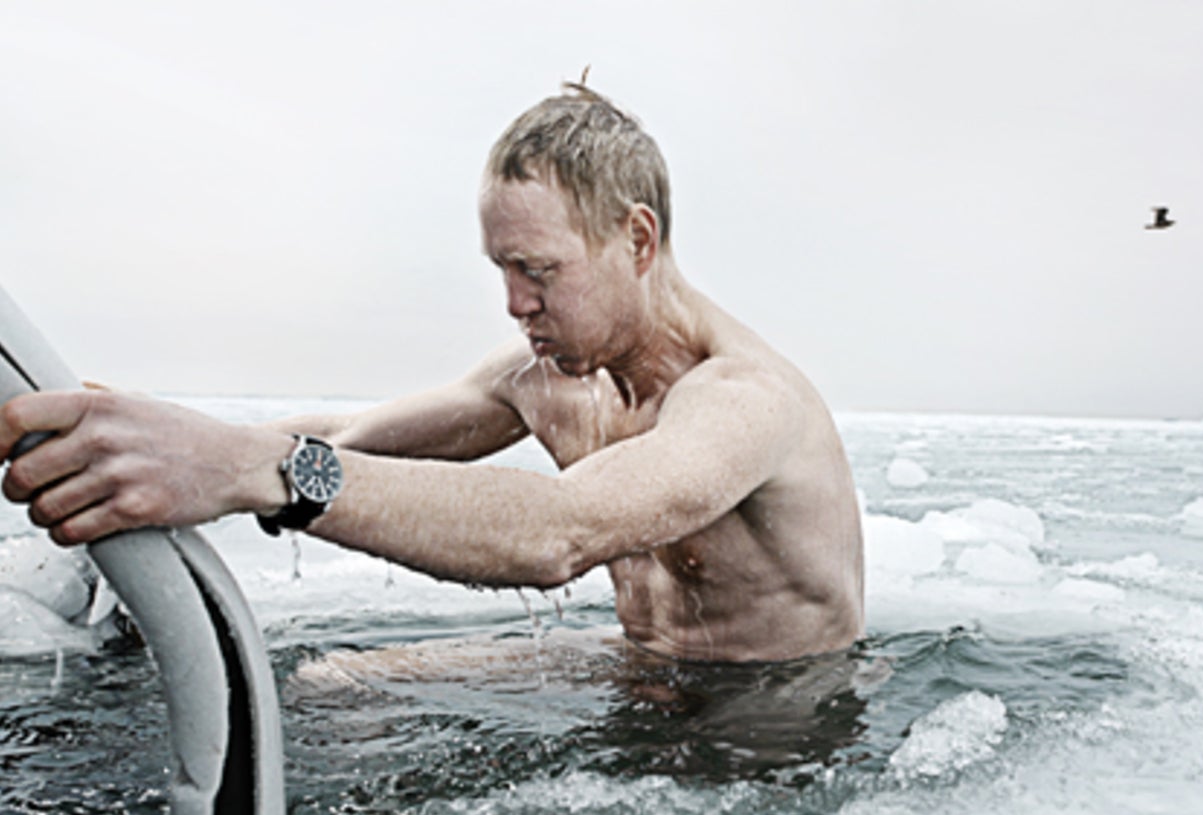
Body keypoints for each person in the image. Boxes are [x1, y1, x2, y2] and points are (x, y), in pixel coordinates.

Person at [0, 82, 865, 665]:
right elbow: (349, 438)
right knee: (331, 689)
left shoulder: (746, 402)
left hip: (779, 726)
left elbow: (559, 532)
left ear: (636, 240)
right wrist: (168, 440)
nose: (515, 303)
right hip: (637, 673)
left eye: (539, 270)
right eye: (502, 269)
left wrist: (250, 471)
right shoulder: (548, 380)